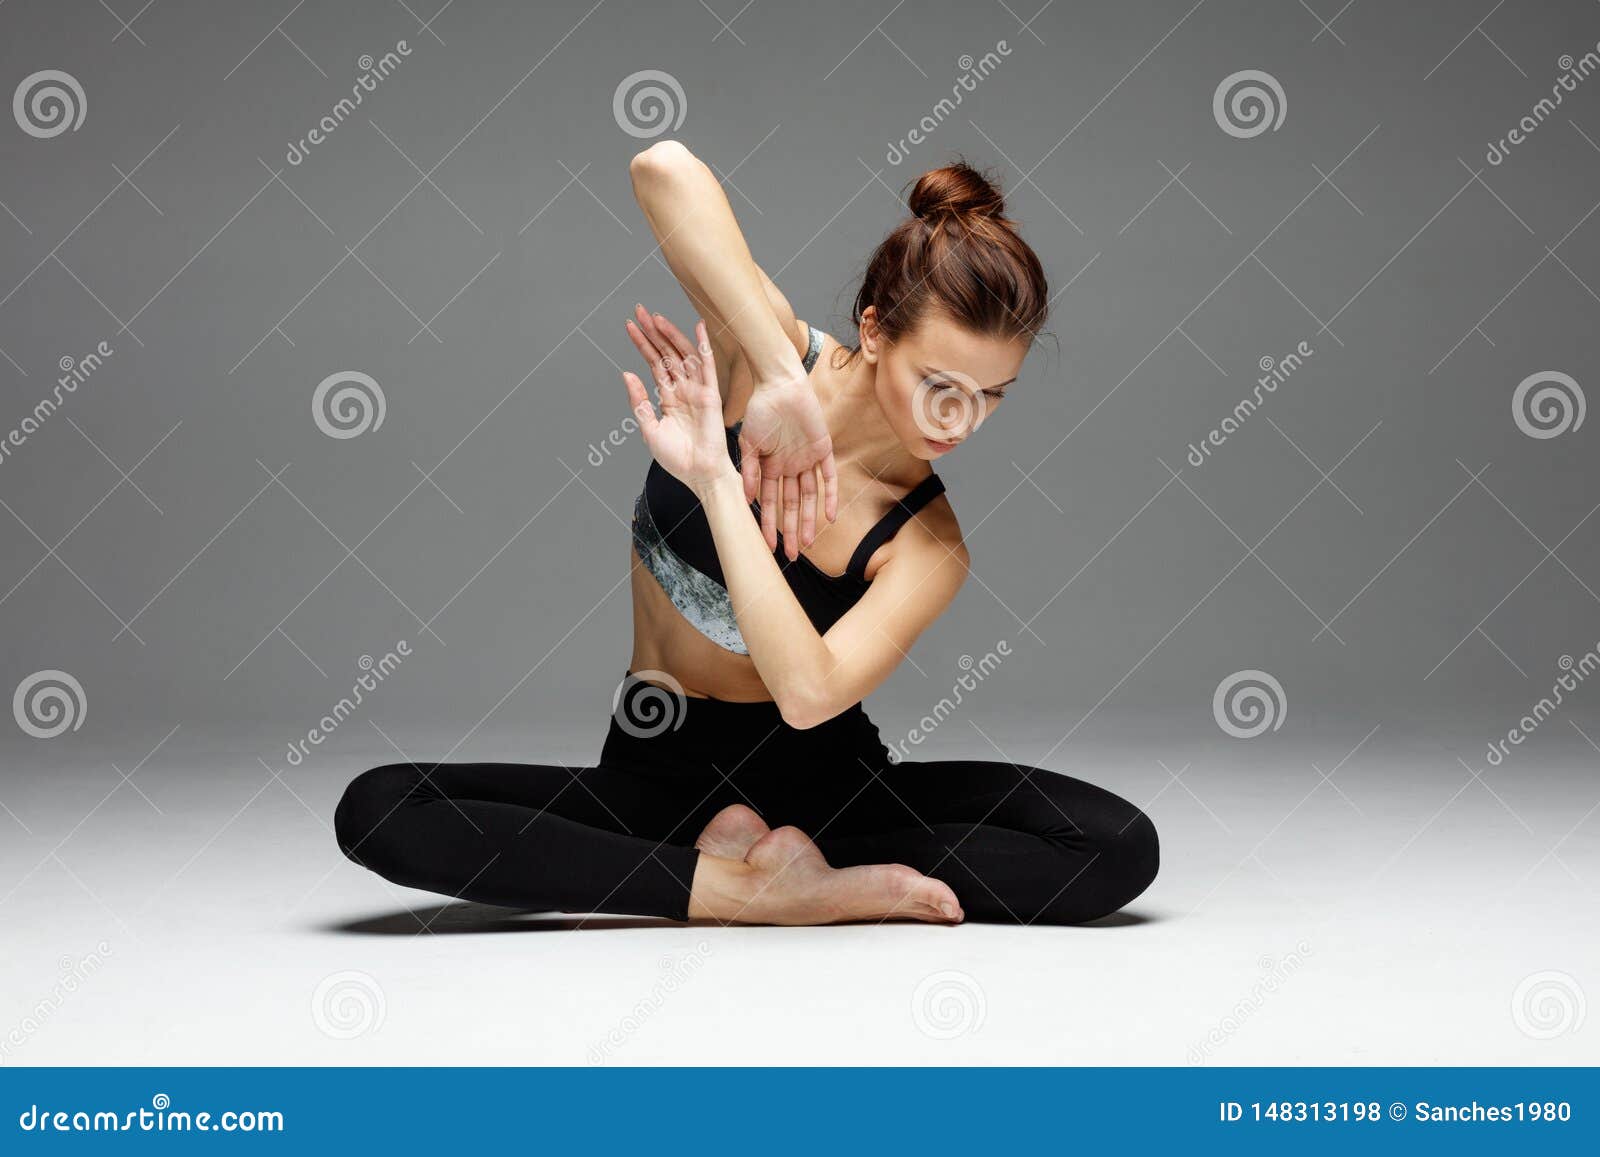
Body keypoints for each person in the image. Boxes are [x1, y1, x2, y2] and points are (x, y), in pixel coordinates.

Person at [334, 141, 1158, 926]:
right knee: (379, 808)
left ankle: (744, 876)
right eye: (938, 383)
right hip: (655, 775)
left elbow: (807, 697)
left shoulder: (926, 542)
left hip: (828, 793)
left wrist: (720, 484)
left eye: (994, 395)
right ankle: (758, 893)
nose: (960, 419)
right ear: (874, 330)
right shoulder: (763, 358)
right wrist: (773, 377)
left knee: (1114, 847)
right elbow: (661, 169)